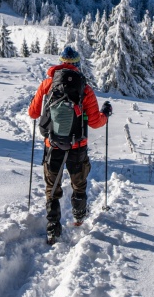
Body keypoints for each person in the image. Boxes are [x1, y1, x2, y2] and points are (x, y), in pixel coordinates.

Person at [28, 46, 112, 245]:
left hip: (53, 145)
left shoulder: (47, 84)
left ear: (60, 63)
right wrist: (106, 113)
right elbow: (95, 122)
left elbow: (33, 113)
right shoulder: (85, 88)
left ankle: (52, 230)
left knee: (52, 188)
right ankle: (79, 217)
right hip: (77, 146)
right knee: (79, 184)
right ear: (77, 65)